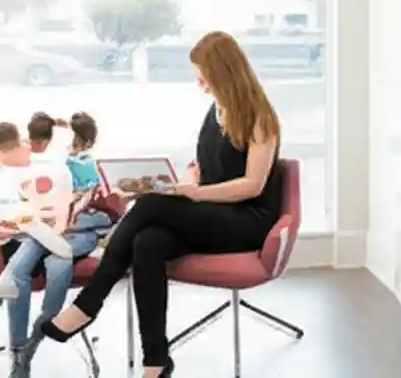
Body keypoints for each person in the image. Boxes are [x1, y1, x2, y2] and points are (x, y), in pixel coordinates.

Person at [42, 31, 283, 378]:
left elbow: (251, 185)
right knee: (147, 241)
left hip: (247, 220)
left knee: (152, 204)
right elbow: (213, 172)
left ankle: (89, 302)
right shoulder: (215, 110)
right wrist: (190, 182)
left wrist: (193, 194)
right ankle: (156, 360)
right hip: (215, 215)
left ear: (224, 72)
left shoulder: (259, 116)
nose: (198, 79)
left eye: (202, 72)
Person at [0, 122, 112, 378]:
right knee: (30, 259)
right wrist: (2, 225)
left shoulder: (72, 170)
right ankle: (20, 348)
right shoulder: (0, 174)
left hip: (64, 236)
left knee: (56, 259)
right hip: (25, 239)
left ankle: (33, 340)